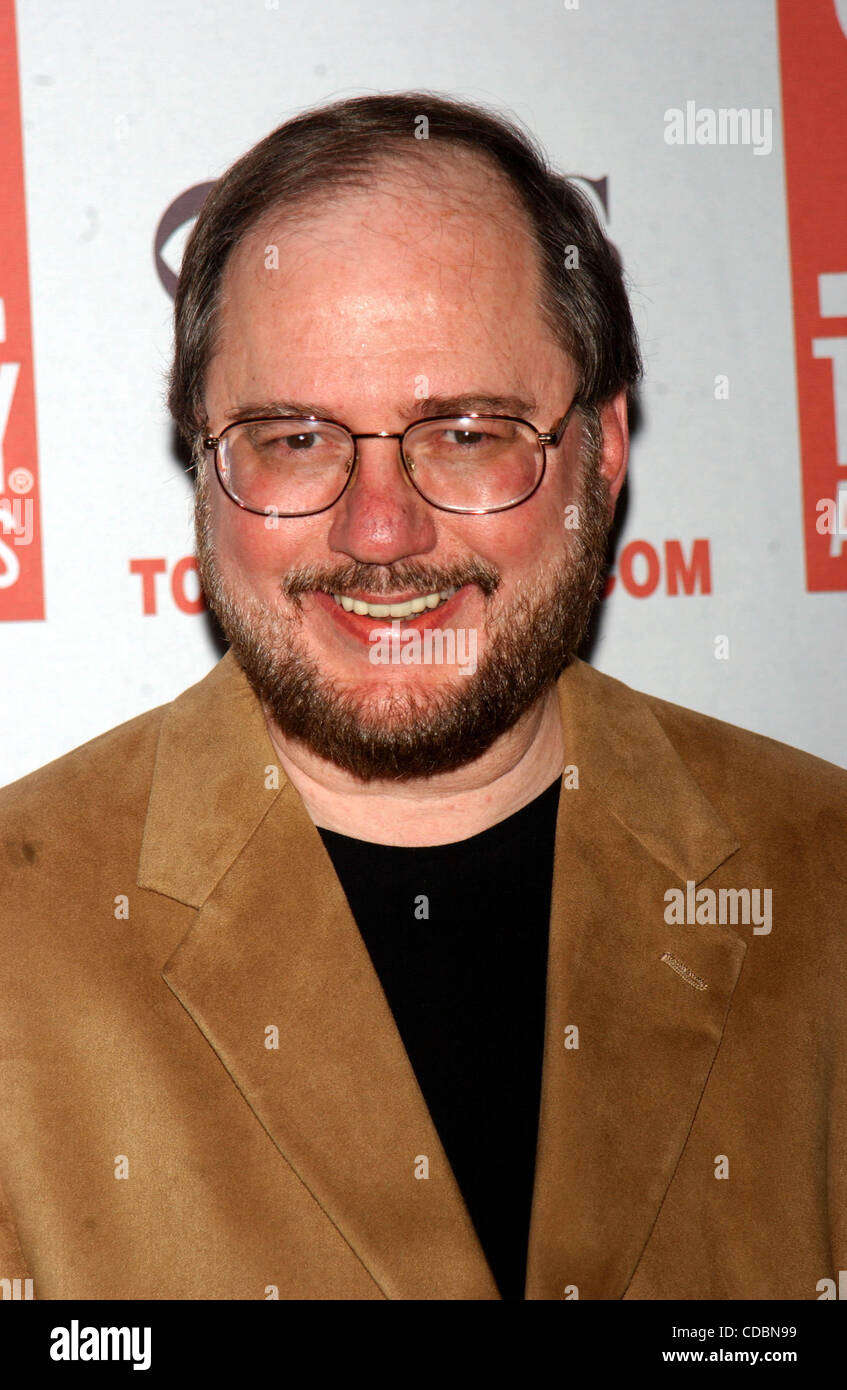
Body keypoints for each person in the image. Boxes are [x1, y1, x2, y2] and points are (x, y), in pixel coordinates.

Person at [0, 92, 844, 1303]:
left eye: (463, 430)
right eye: (293, 437)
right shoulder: (15, 947)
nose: (380, 530)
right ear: (202, 463)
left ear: (601, 454)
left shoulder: (824, 891)